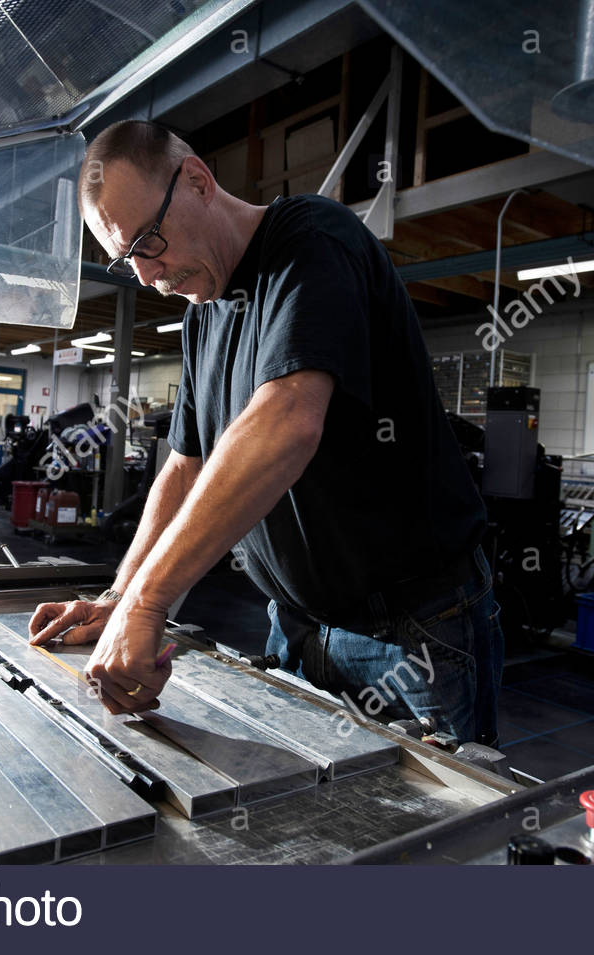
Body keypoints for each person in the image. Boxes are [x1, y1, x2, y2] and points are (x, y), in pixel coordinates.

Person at [28, 120, 502, 745]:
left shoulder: (313, 241)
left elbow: (287, 420)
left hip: (415, 634)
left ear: (196, 180)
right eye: (126, 259)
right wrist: (119, 596)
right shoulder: (204, 313)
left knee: (426, 835)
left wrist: (149, 605)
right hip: (297, 624)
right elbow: (184, 466)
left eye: (147, 240)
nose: (145, 275)